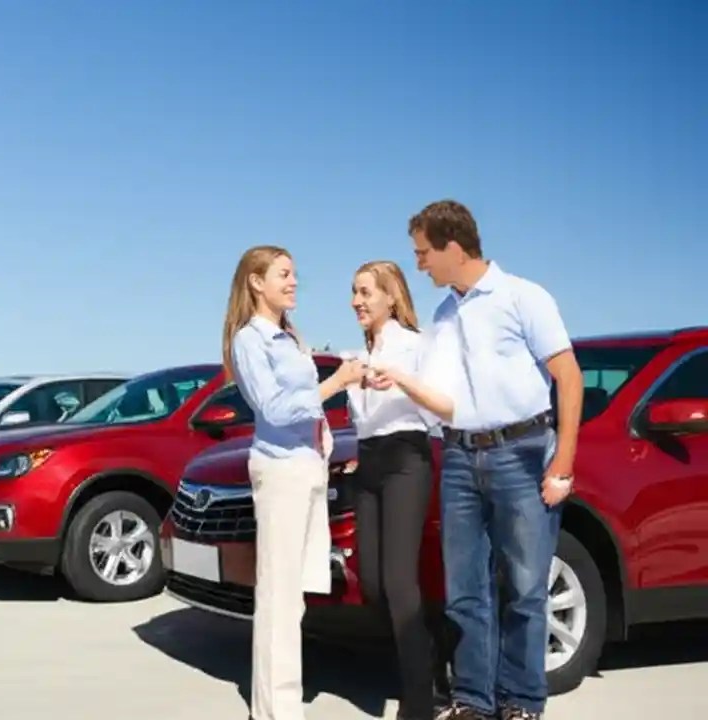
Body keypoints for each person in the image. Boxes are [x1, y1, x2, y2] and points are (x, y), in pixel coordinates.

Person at [368, 200, 583, 720]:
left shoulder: (522, 298)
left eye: (423, 253)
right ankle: (473, 701)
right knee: (465, 591)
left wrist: (563, 466)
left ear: (453, 248)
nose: (418, 264)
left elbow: (569, 378)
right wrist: (394, 381)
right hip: (461, 458)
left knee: (526, 588)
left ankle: (523, 701)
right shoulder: (444, 316)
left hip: (522, 453)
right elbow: (441, 395)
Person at [221, 245, 364, 720]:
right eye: (283, 274)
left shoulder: (290, 338)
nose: (294, 281)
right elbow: (276, 409)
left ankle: (283, 701)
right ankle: (275, 710)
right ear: (256, 283)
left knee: (295, 594)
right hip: (280, 470)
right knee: (278, 593)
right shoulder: (251, 340)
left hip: (306, 468)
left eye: (295, 274)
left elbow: (305, 410)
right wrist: (335, 383)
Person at [344, 260, 438, 720]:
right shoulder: (357, 353)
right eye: (355, 292)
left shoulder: (415, 346)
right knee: (373, 584)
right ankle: (425, 657)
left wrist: (400, 379)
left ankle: (420, 701)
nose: (357, 301)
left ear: (391, 297)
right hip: (370, 461)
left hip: (407, 460)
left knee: (400, 582)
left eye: (365, 292)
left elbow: (440, 410)